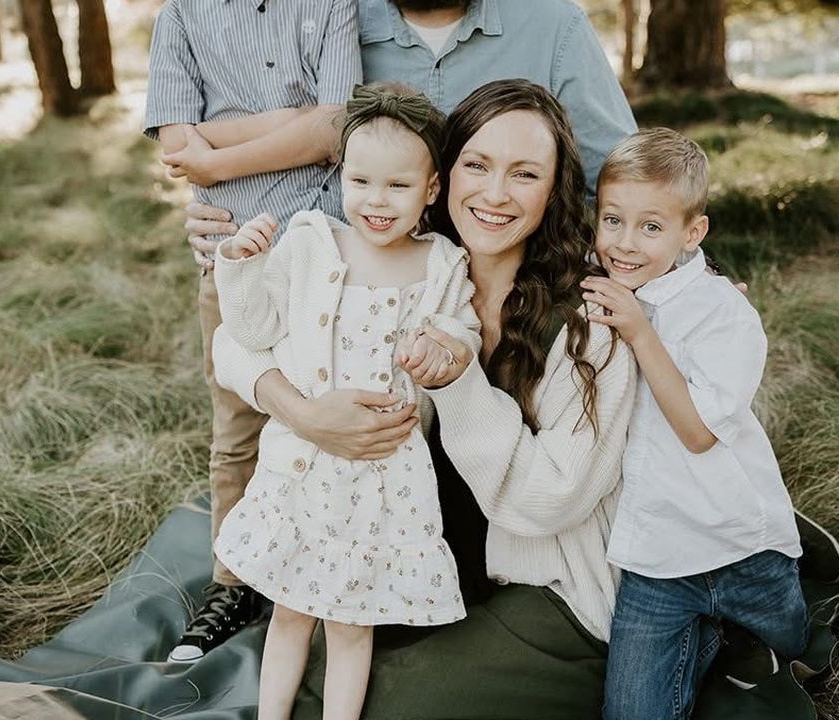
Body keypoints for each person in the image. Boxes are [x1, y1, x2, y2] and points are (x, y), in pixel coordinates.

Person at [213, 80, 638, 717]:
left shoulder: (590, 324)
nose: (495, 194)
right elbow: (236, 342)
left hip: (543, 586)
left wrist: (457, 382)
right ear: (443, 177)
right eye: (477, 165)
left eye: (525, 174)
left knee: (389, 705)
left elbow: (548, 502)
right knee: (315, 664)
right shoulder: (410, 262)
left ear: (555, 191)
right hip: (415, 545)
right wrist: (306, 415)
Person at [143, 0, 362, 661]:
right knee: (237, 427)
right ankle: (234, 584)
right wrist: (285, 126)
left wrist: (219, 155)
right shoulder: (182, 15)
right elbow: (175, 141)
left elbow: (335, 129)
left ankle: (330, 573)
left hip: (328, 250)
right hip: (230, 257)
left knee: (323, 418)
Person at [212, 84, 479, 720]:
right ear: (341, 177)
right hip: (303, 467)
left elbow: (463, 329)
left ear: (431, 189)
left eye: (397, 186)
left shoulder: (442, 263)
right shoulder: (310, 243)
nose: (376, 201)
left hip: (385, 478)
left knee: (353, 624)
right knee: (290, 611)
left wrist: (444, 346)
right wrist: (240, 266)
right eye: (361, 182)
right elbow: (252, 330)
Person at [578, 128, 807, 720]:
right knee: (632, 712)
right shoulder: (602, 284)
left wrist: (640, 331)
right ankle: (712, 638)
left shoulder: (724, 313)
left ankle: (763, 615)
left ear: (692, 233)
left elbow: (698, 433)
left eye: (651, 227)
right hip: (654, 561)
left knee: (798, 650)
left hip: (741, 548)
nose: (625, 244)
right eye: (612, 220)